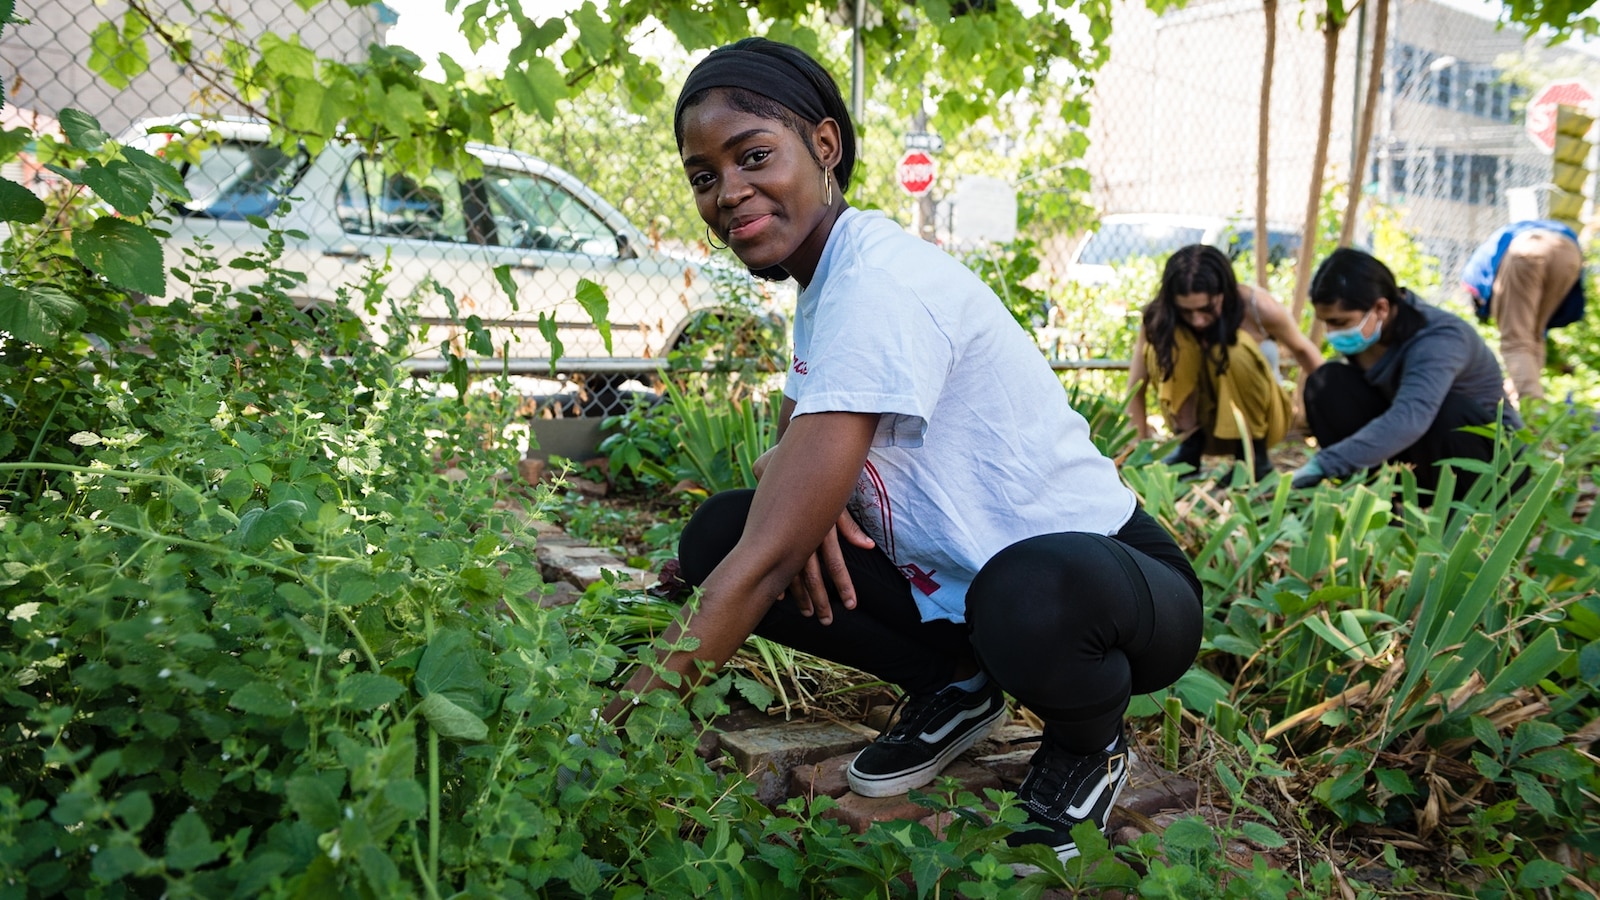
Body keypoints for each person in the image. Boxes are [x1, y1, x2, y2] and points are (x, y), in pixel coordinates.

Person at [601, 37, 1202, 866]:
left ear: (824, 145)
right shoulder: (827, 283)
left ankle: (1086, 743)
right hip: (966, 594)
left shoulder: (880, 283)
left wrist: (608, 734)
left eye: (753, 156)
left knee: (1014, 591)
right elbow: (785, 467)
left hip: (1111, 589)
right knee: (720, 536)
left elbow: (775, 549)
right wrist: (792, 507)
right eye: (704, 176)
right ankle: (956, 683)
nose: (728, 193)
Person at [1293, 248, 1522, 500]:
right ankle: (1374, 500)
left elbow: (1411, 417)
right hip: (1420, 453)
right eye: (1325, 322)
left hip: (1488, 463)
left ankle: (1460, 518)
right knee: (1327, 383)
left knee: (1448, 410)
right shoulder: (1371, 338)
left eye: (1340, 322)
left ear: (1380, 308)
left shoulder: (1439, 338)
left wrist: (1325, 464)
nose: (1331, 332)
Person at [1127, 244, 1320, 481]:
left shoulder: (1258, 307)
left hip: (1263, 425)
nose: (1197, 320)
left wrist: (1333, 421)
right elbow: (1135, 389)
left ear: (1224, 293)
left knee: (1232, 346)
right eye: (1186, 312)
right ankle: (1188, 450)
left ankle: (1252, 461)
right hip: (1202, 426)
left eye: (1206, 309)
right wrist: (1136, 454)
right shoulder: (1160, 318)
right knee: (1169, 341)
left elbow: (1305, 352)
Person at [1459, 219, 1586, 406]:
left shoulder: (1473, 277)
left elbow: (1480, 295)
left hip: (1527, 248)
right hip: (1570, 251)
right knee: (1535, 335)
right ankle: (1515, 405)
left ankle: (1534, 421)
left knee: (1516, 342)